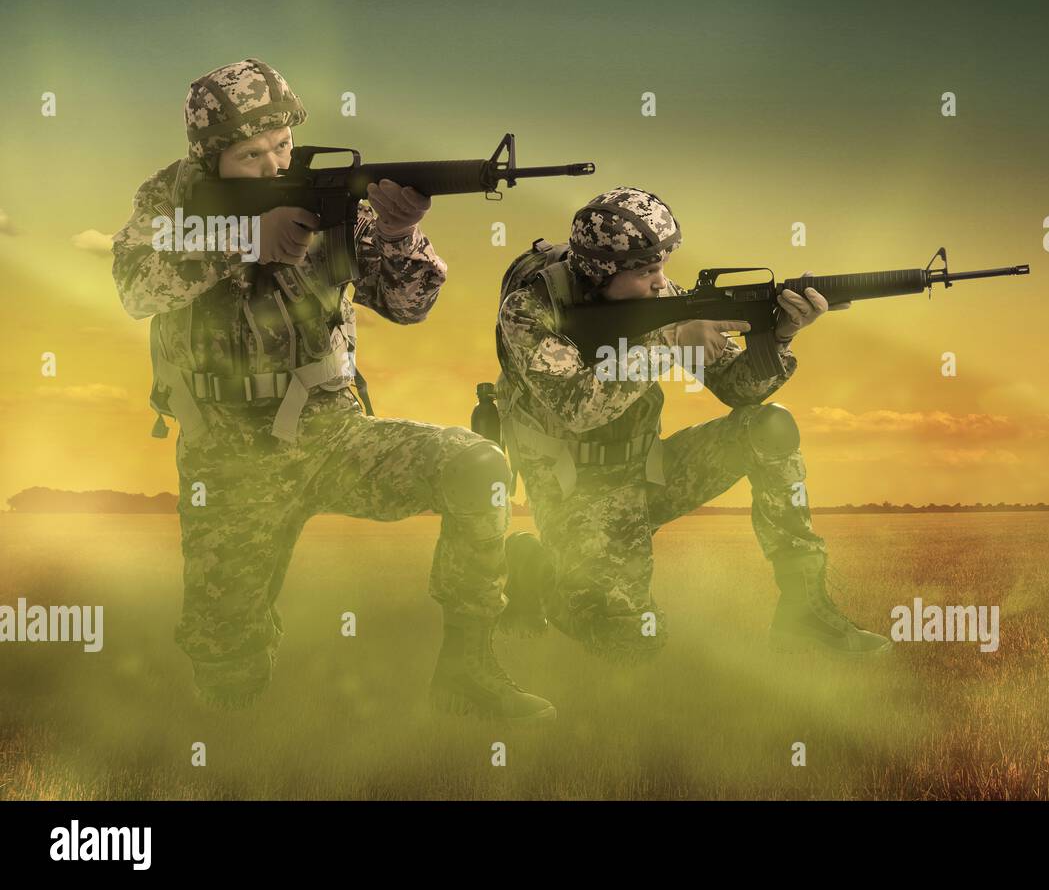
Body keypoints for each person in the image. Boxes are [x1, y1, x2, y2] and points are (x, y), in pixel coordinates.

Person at [110, 58, 554, 722]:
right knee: (226, 676)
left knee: (479, 470)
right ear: (209, 157)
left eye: (281, 146)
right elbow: (136, 286)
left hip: (333, 432)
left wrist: (400, 232)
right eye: (251, 154)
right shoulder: (168, 199)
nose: (271, 165)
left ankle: (467, 671)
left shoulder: (334, 201)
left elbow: (407, 306)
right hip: (226, 456)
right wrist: (246, 238)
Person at [494, 186, 892, 662]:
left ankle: (804, 612)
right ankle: (533, 566)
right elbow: (580, 408)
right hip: (575, 490)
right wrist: (669, 342)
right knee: (630, 642)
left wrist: (781, 333)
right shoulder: (528, 310)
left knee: (769, 428)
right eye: (645, 272)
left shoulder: (662, 299)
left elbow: (739, 392)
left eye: (663, 266)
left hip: (647, 472)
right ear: (600, 273)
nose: (662, 283)